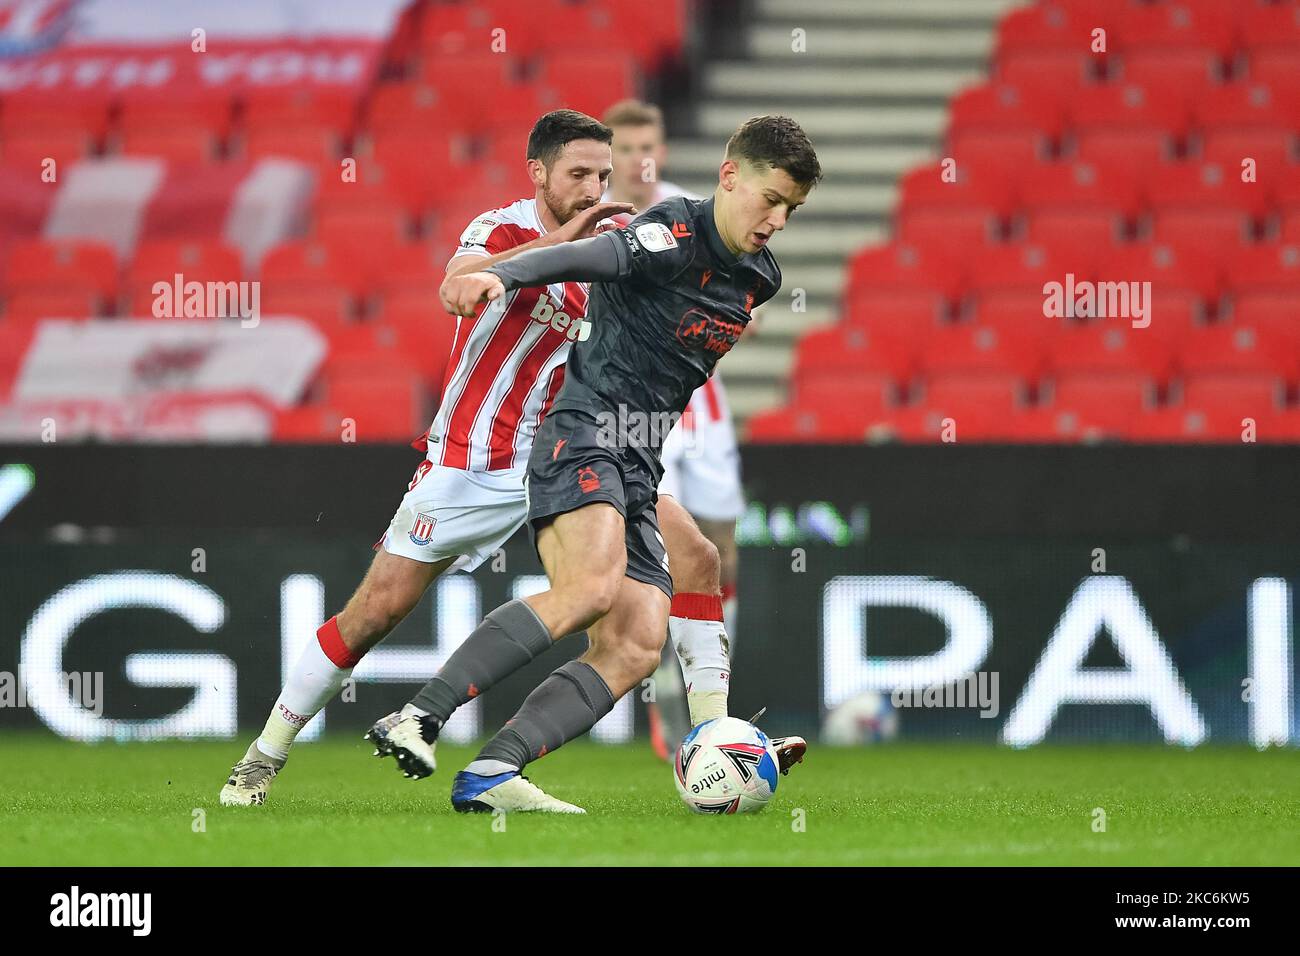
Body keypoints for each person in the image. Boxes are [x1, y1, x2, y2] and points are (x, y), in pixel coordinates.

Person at [218, 110, 772, 807]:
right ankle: (262, 758)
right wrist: (565, 238)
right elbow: (459, 285)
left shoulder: (617, 254)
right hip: (467, 458)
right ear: (537, 172)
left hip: (566, 449)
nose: (593, 186)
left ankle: (710, 739)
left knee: (691, 557)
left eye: (602, 174)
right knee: (374, 613)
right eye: (578, 174)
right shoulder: (503, 229)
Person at [375, 114, 821, 813]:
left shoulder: (759, 278)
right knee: (591, 587)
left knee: (643, 633)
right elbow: (583, 259)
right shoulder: (671, 232)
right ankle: (420, 715)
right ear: (730, 177)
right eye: (770, 198)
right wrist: (500, 276)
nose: (778, 219)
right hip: (580, 433)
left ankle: (497, 772)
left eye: (791, 209)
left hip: (637, 459)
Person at [603, 99, 747, 760]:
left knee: (721, 546)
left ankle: (715, 697)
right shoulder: (597, 223)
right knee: (648, 550)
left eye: (650, 145)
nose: (641, 159)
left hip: (701, 407)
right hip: (635, 408)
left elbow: (744, 295)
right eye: (628, 147)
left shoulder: (691, 213)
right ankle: (664, 700)